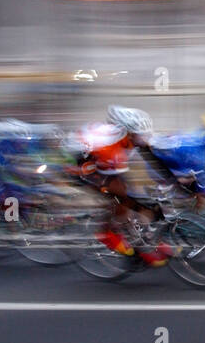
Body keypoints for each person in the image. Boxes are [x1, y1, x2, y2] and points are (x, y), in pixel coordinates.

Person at [69, 105, 172, 266]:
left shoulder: (129, 138)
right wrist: (140, 204)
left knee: (138, 200)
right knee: (119, 197)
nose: (142, 138)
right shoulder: (111, 147)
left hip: (99, 158)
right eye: (139, 135)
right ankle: (106, 234)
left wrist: (172, 182)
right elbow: (120, 185)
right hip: (80, 164)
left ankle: (141, 240)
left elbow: (154, 161)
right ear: (127, 133)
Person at [146, 112, 205, 204]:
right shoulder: (199, 153)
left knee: (200, 191)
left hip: (172, 159)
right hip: (158, 169)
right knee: (197, 193)